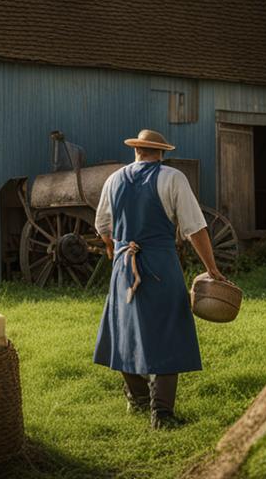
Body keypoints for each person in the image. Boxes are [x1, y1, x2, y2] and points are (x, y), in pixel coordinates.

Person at [93, 129, 229, 429]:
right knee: (167, 330)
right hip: (160, 265)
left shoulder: (114, 179)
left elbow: (102, 226)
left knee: (124, 330)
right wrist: (212, 269)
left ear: (137, 150)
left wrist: (114, 252)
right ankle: (162, 414)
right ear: (161, 152)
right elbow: (195, 228)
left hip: (123, 266)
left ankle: (138, 401)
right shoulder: (172, 177)